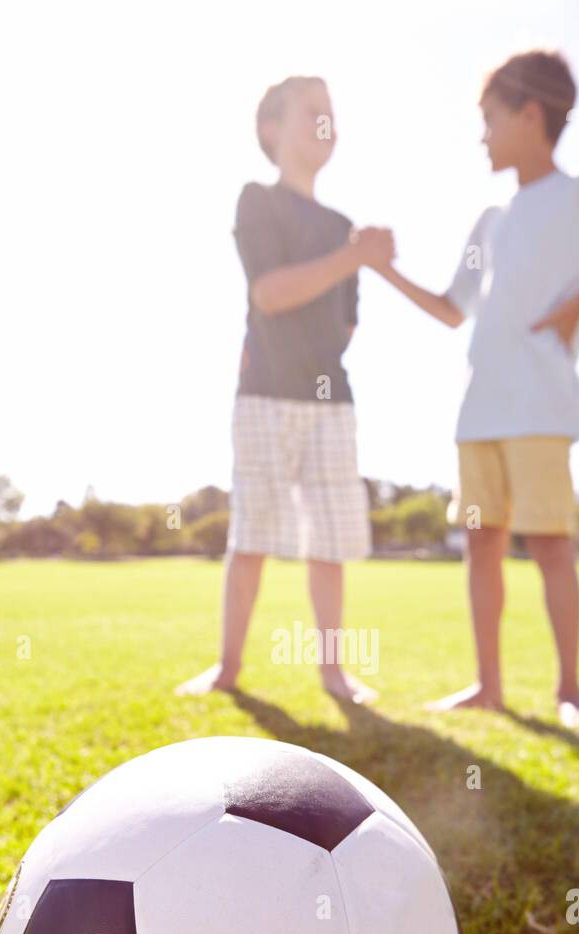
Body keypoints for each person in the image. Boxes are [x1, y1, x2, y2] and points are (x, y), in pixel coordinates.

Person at [379, 50, 579, 725]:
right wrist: (383, 268)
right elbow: (451, 309)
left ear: (529, 114)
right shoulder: (490, 219)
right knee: (481, 543)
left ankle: (570, 692)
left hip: (540, 403)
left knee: (549, 543)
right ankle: (487, 686)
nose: (482, 136)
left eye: (489, 119)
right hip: (478, 407)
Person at [178, 75, 394, 703]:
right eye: (312, 113)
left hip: (330, 403)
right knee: (253, 534)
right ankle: (228, 669)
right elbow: (270, 293)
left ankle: (333, 673)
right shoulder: (258, 202)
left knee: (329, 543)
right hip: (264, 395)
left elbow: (347, 324)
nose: (327, 124)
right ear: (272, 130)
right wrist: (354, 258)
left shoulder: (343, 226)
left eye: (332, 114)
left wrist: (353, 259)